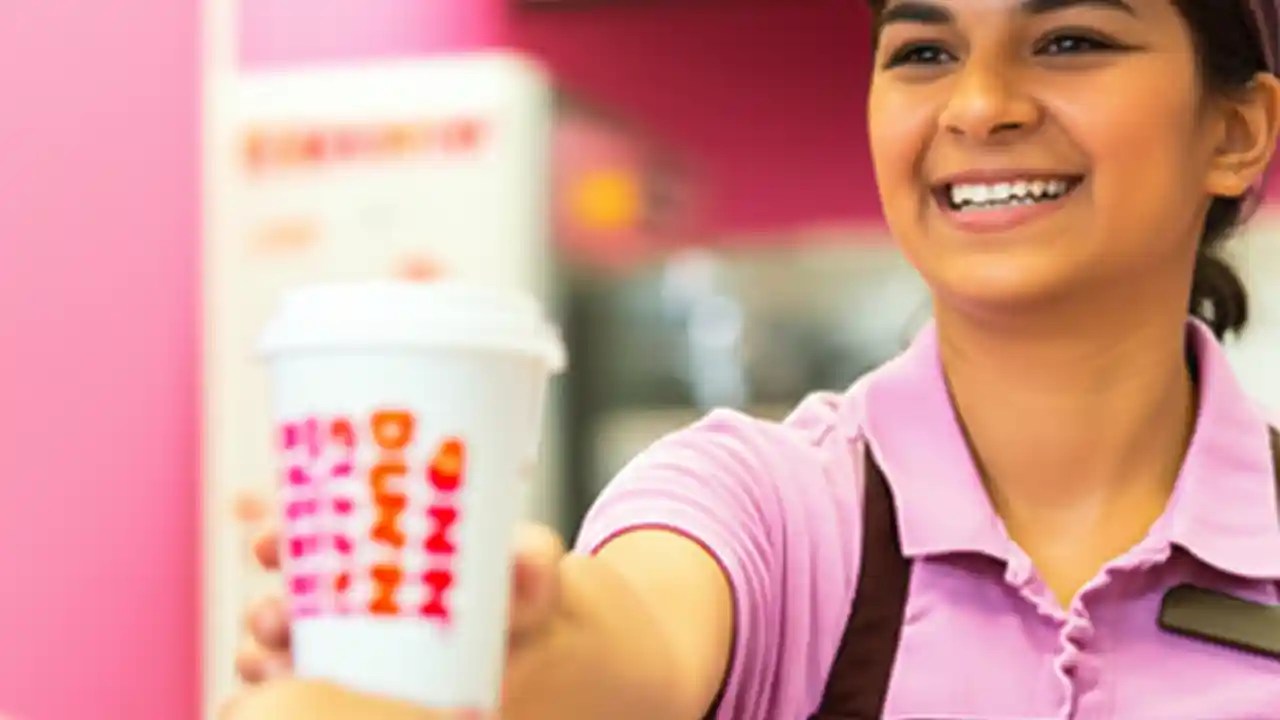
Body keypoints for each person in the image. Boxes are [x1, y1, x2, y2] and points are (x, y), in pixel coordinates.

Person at [226, 0, 1280, 717]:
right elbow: (631, 628)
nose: (976, 105)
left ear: (1235, 129)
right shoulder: (766, 504)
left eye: (1068, 39)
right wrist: (499, 645)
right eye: (922, 51)